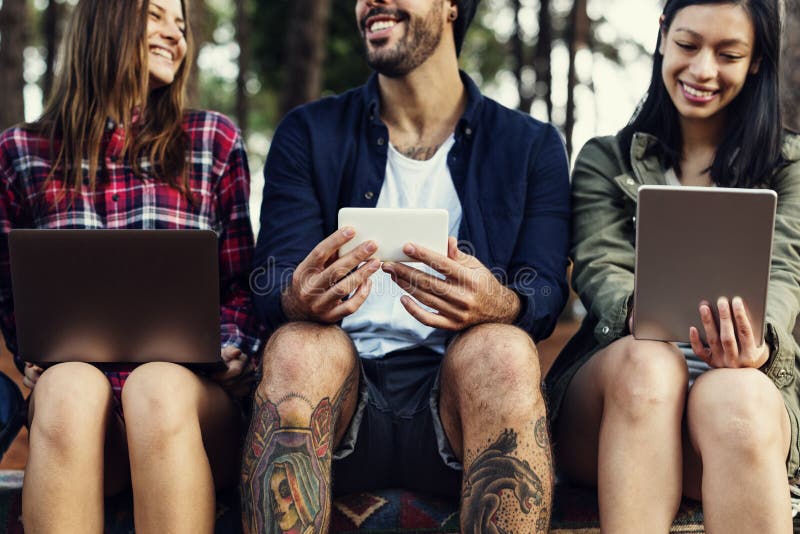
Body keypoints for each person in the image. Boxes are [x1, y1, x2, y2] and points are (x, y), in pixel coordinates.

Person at [241, 0, 571, 532]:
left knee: (504, 347)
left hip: (459, 396)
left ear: (450, 7)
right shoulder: (308, 132)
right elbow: (272, 279)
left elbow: (545, 288)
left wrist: (499, 303)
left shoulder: (529, 146)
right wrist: (298, 295)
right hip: (340, 394)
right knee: (299, 344)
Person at [0, 0, 262, 532]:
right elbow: (15, 299)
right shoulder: (20, 153)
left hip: (189, 404)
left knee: (156, 387)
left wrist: (231, 346)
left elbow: (242, 285)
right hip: (81, 417)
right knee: (69, 389)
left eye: (182, 26)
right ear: (107, 19)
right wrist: (34, 351)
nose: (176, 35)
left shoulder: (214, 142)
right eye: (158, 16)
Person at [545, 0, 800, 532]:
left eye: (728, 53)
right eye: (688, 45)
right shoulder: (603, 160)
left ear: (755, 61)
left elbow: (783, 272)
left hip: (731, 408)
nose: (702, 70)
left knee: (739, 391)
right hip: (617, 402)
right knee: (650, 365)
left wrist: (761, 341)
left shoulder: (789, 167)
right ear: (662, 35)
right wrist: (639, 311)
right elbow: (600, 266)